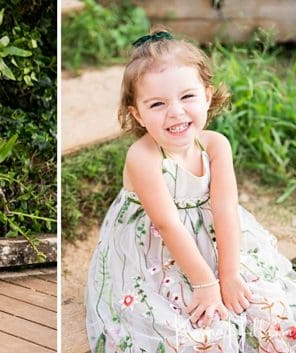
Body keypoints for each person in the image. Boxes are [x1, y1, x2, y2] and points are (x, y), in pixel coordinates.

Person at [85, 30, 296, 352]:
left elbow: (225, 208)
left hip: (215, 238)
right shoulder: (143, 156)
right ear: (137, 113)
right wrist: (205, 283)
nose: (176, 112)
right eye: (157, 104)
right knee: (190, 324)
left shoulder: (215, 145)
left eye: (187, 97)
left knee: (261, 302)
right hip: (155, 246)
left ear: (207, 96)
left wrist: (228, 274)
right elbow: (167, 224)